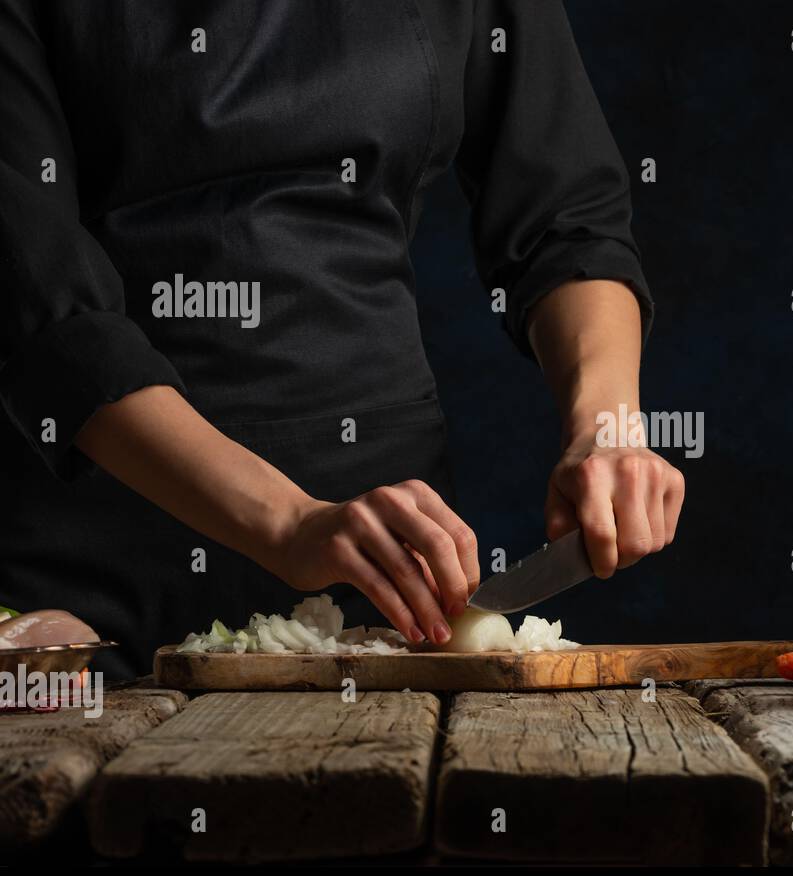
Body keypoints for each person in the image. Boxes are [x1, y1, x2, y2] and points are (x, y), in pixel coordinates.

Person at [0, 0, 684, 678]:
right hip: (90, 572)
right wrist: (288, 524)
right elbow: (47, 310)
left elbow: (569, 222)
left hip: (386, 579)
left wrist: (607, 428)